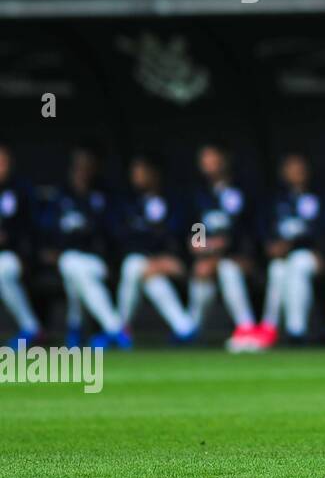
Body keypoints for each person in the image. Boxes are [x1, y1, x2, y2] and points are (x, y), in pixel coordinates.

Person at [43, 145, 124, 348]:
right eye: (79, 166)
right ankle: (114, 328)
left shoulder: (105, 196)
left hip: (98, 261)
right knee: (71, 264)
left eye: (88, 167)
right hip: (67, 260)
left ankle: (79, 325)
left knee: (72, 266)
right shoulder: (61, 196)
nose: (82, 171)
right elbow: (46, 230)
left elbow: (112, 234)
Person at [189, 143, 261, 352]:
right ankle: (192, 328)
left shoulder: (243, 191)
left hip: (239, 257)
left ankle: (246, 328)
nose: (210, 164)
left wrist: (234, 249)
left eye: (214, 159)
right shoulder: (200, 195)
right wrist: (202, 245)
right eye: (205, 160)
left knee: (228, 268)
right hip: (208, 257)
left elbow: (249, 230)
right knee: (203, 270)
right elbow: (196, 228)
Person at [115, 154, 194, 342]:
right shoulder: (129, 204)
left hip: (180, 264)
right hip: (145, 265)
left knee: (136, 268)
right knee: (140, 270)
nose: (136, 176)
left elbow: (197, 228)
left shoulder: (179, 201)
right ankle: (185, 328)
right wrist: (154, 261)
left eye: (141, 171)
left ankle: (118, 329)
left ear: (155, 173)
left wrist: (187, 258)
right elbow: (122, 240)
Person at [259, 154, 325, 346]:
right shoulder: (275, 200)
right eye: (291, 169)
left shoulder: (320, 198)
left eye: (300, 169)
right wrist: (272, 245)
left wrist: (321, 253)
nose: (296, 173)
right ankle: (269, 327)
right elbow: (263, 230)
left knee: (298, 262)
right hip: (283, 257)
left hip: (310, 255)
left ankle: (297, 329)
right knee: (277, 269)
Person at [0, 144, 41, 347]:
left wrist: (25, 255)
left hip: (15, 256)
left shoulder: (22, 191)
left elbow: (32, 229)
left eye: (3, 161)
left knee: (2, 269)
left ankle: (30, 327)